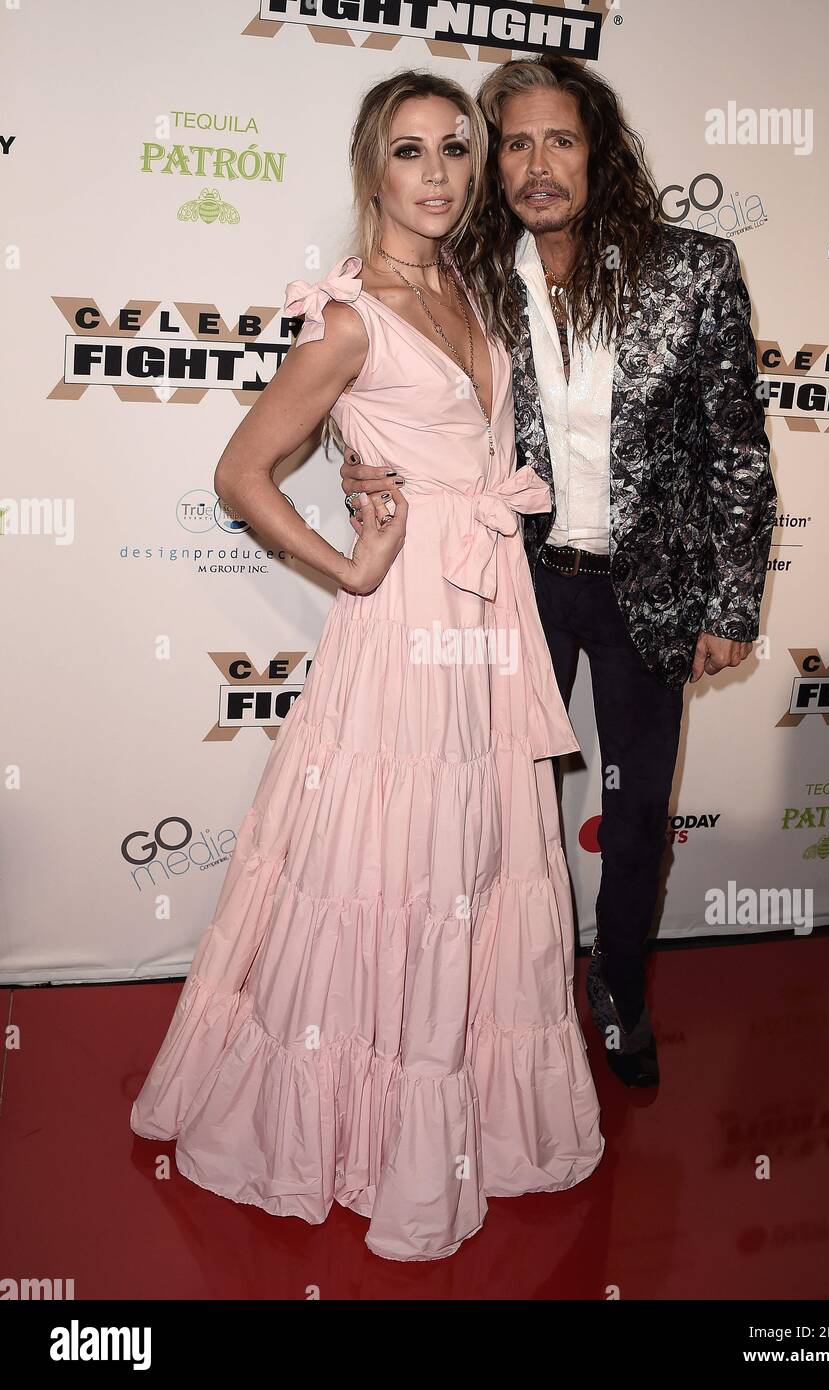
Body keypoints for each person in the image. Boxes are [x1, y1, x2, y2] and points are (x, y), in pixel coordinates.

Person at [129, 69, 604, 1263]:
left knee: (484, 861)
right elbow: (241, 470)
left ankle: (469, 1127)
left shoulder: (467, 287)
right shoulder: (348, 315)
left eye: (457, 148)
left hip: (485, 614)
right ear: (370, 170)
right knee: (394, 863)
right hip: (406, 628)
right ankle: (363, 1133)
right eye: (411, 152)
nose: (439, 173)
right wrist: (345, 566)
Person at [339, 56, 778, 1090]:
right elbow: (395, 386)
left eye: (561, 140)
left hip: (651, 591)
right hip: (513, 582)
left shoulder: (695, 269)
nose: (539, 166)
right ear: (495, 166)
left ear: (600, 151)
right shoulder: (471, 277)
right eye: (517, 144)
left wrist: (731, 600)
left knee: (630, 814)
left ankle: (619, 990)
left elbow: (736, 448)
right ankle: (503, 992)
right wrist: (353, 457)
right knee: (496, 805)